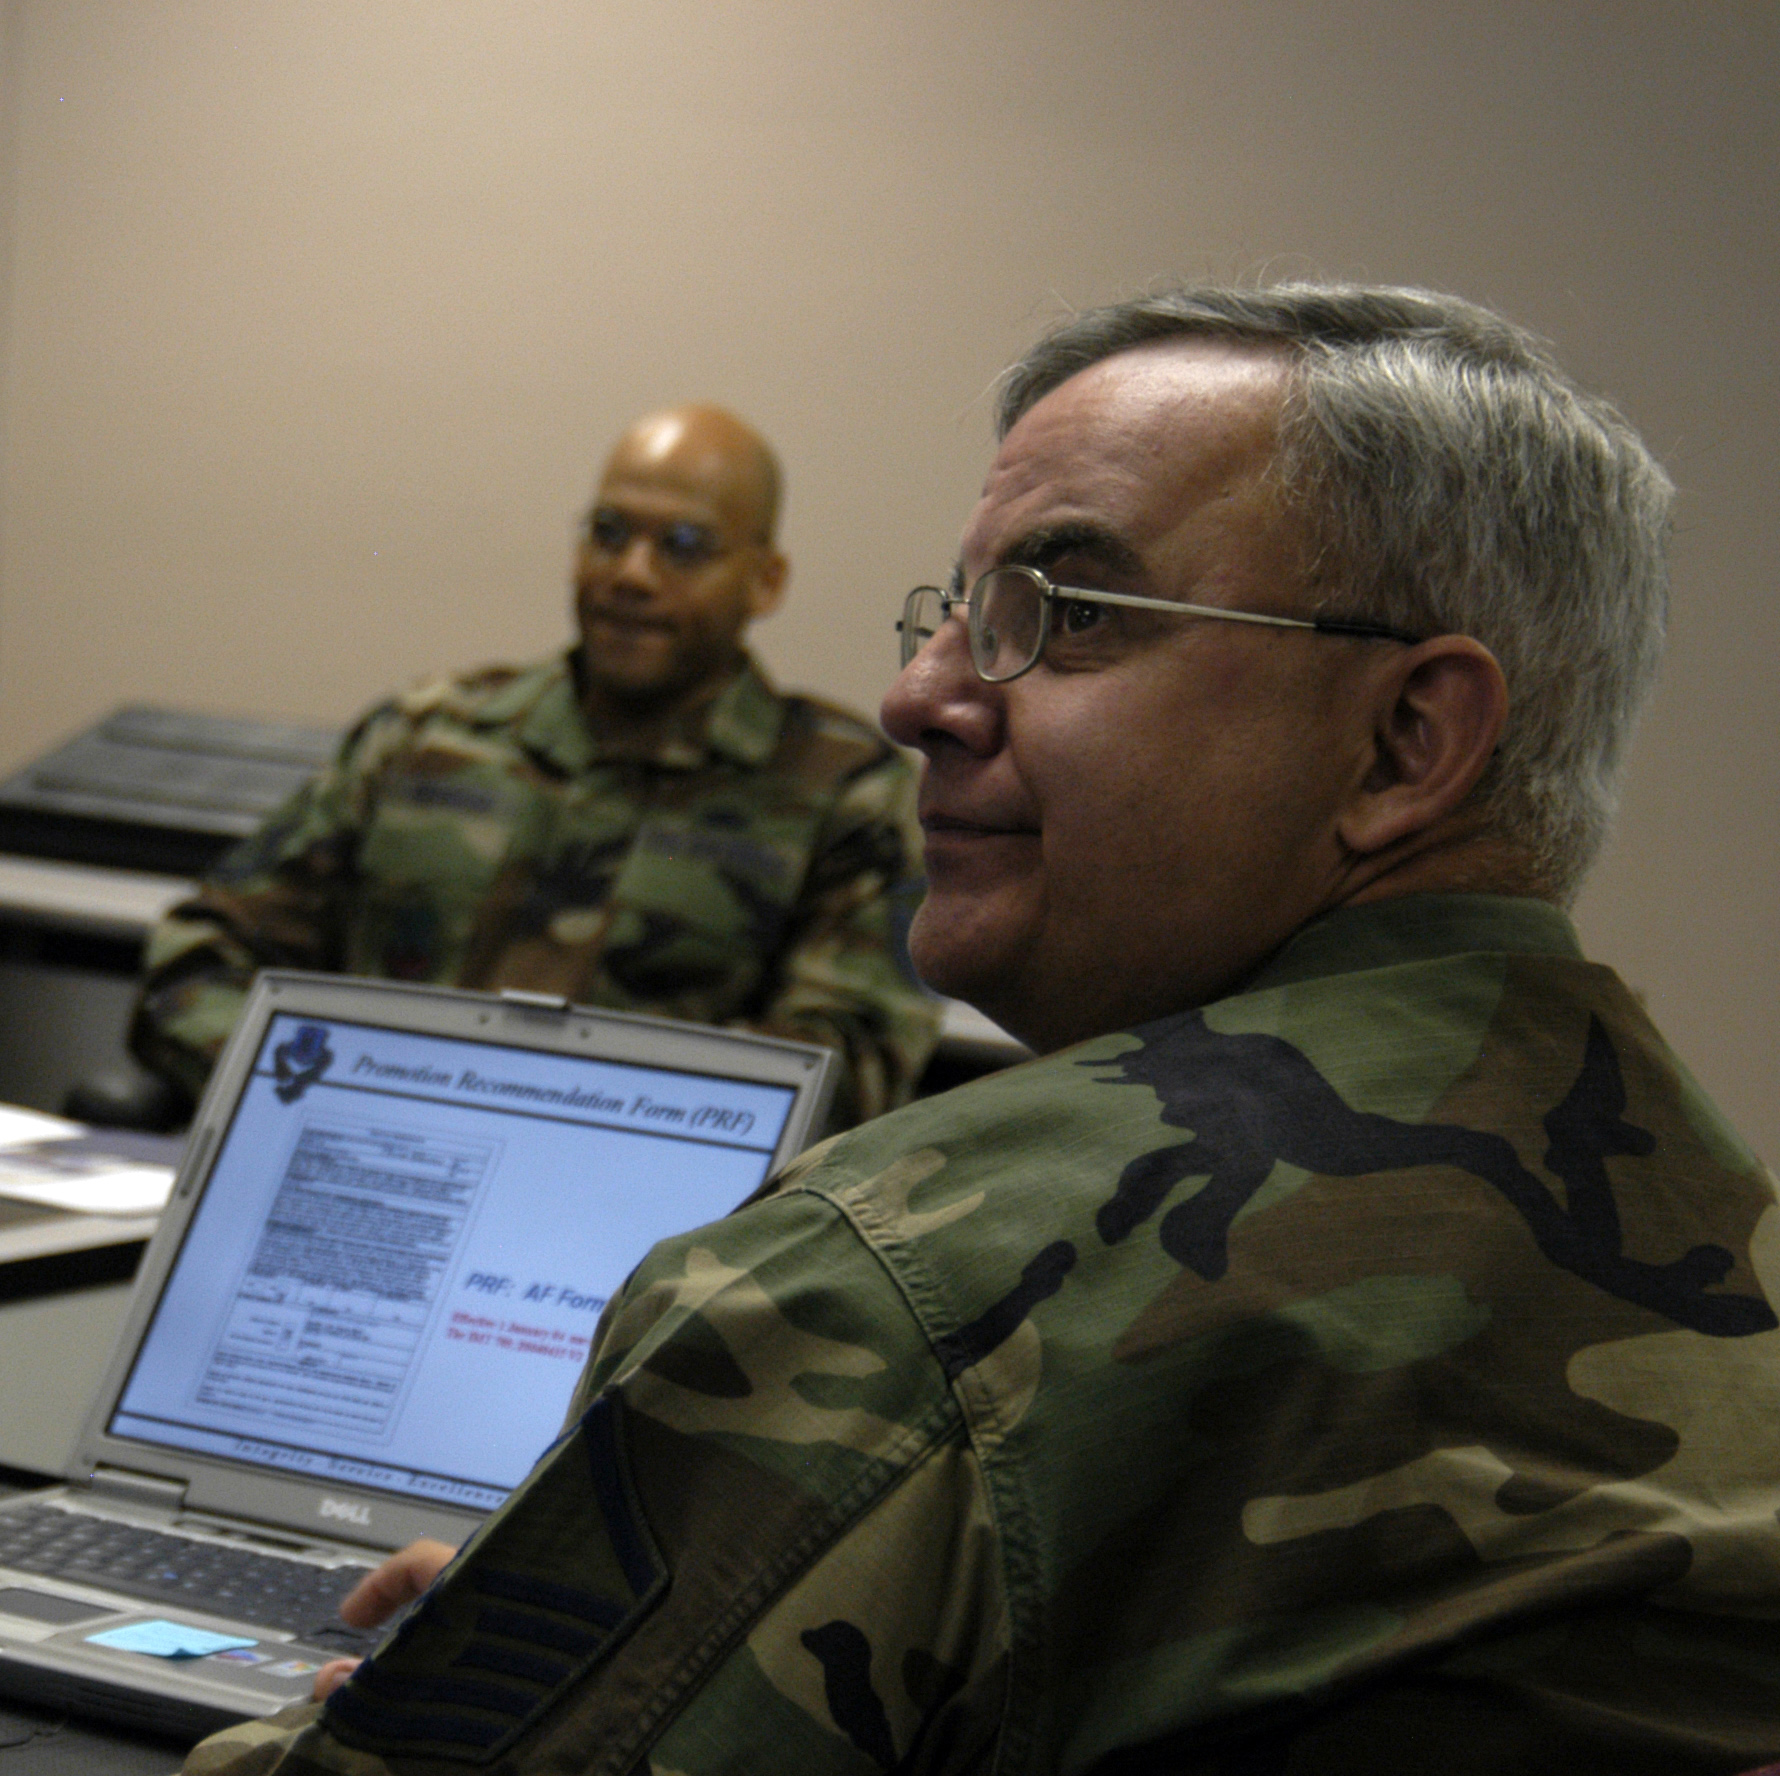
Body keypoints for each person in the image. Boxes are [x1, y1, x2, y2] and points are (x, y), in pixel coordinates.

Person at [180, 286, 1780, 1772]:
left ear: (1406, 743)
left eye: (1067, 616)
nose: (922, 697)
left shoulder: (900, 1295)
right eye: (954, 614)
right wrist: (658, 1613)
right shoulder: (1727, 1235)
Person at [129, 404, 937, 1133]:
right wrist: (329, 1096)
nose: (632, 574)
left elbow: (847, 1072)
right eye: (610, 532)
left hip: (640, 1240)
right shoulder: (426, 737)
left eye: (684, 546)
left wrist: (560, 1130)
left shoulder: (842, 794)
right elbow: (198, 958)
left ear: (765, 581)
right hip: (352, 1163)